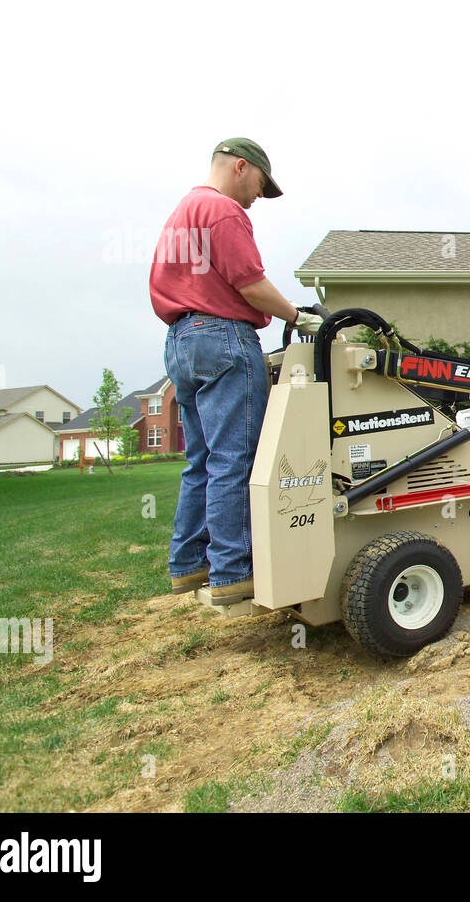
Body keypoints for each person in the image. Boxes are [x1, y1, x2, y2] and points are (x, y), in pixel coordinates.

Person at [148, 138, 322, 605]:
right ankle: (233, 573)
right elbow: (250, 285)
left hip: (182, 343)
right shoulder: (223, 211)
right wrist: (297, 316)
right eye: (258, 188)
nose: (255, 201)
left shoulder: (180, 213)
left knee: (201, 461)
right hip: (223, 339)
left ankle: (188, 565)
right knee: (236, 458)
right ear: (240, 168)